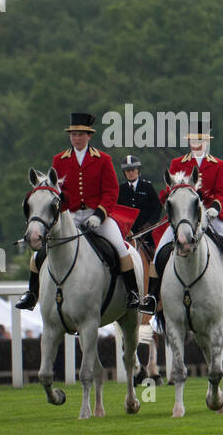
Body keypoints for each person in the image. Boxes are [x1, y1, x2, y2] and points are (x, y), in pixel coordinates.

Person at [15, 113, 140, 311]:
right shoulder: (59, 160)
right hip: (69, 216)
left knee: (120, 247)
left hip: (99, 215)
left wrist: (99, 215)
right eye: (73, 134)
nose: (76, 138)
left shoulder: (103, 160)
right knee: (38, 255)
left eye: (81, 134)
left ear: (89, 136)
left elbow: (111, 191)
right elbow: (56, 192)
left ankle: (133, 293)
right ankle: (31, 294)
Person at [143, 120, 223, 314]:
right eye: (193, 139)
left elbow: (222, 193)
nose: (197, 143)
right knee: (159, 254)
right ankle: (152, 297)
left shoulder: (218, 164)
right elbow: (168, 192)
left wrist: (215, 207)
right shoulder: (177, 163)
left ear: (206, 141)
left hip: (211, 216)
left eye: (201, 139)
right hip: (184, 217)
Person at [118, 155, 161, 253]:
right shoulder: (120, 189)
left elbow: (157, 208)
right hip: (127, 234)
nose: (131, 173)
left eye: (133, 170)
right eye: (128, 171)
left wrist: (149, 224)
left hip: (146, 234)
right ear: (124, 173)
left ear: (138, 170)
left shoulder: (147, 187)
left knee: (155, 256)